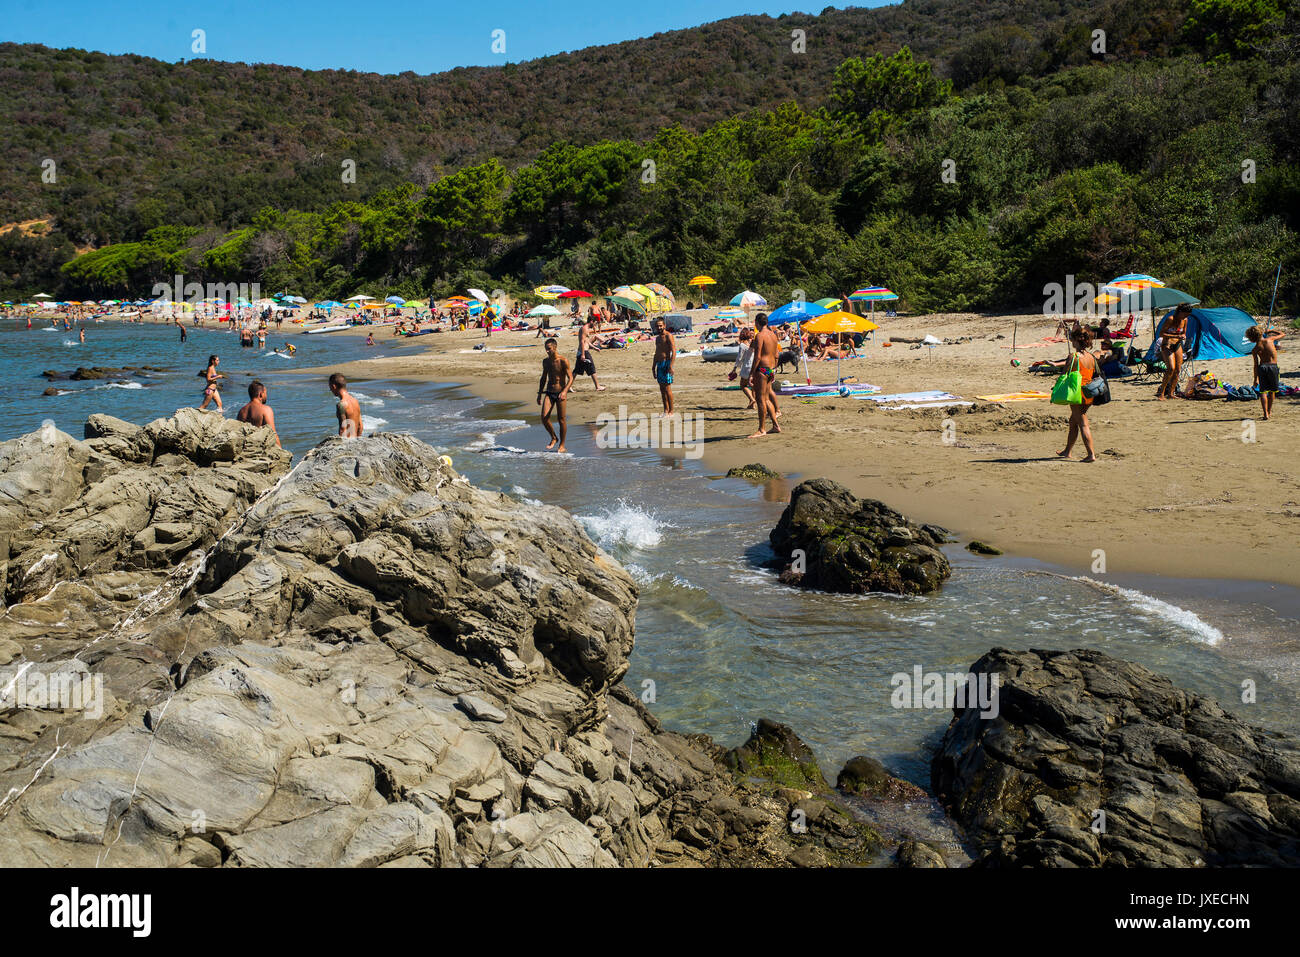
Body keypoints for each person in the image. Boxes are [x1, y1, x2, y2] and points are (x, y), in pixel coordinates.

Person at [1057, 326, 1099, 462]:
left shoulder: (1073, 356)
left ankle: (1091, 454)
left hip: (1077, 394)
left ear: (1076, 340)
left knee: (1082, 423)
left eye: (1072, 340)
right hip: (1089, 392)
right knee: (1073, 421)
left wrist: (1056, 388)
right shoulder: (1091, 357)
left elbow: (1064, 375)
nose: (1071, 342)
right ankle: (1067, 451)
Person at [537, 337, 573, 452]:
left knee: (561, 419)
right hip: (549, 392)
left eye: (549, 349)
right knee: (544, 417)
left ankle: (562, 445)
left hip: (560, 393)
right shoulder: (546, 362)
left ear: (555, 347)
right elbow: (543, 378)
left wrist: (564, 391)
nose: (547, 351)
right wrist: (539, 393)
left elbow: (571, 378)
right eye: (546, 349)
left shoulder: (563, 361)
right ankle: (553, 437)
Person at [748, 313, 782, 437]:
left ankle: (761, 429)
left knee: (760, 399)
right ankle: (775, 425)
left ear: (757, 322)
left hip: (762, 369)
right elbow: (777, 354)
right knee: (767, 398)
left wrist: (751, 373)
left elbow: (757, 357)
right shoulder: (773, 335)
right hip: (771, 369)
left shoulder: (760, 336)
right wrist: (774, 368)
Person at [1247, 324, 1286, 420]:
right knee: (1272, 391)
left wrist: (1255, 379)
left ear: (1252, 338)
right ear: (1260, 333)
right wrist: (1269, 332)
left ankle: (1265, 414)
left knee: (1263, 391)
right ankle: (1269, 411)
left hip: (1262, 368)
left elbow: (1256, 365)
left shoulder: (1255, 349)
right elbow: (1282, 334)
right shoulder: (1270, 340)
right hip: (1273, 367)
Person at [1157, 304, 1192, 400]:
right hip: (1167, 345)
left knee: (1177, 370)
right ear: (1180, 312)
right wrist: (1175, 336)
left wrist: (1183, 336)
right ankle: (1162, 393)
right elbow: (1161, 333)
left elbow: (1183, 332)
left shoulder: (1185, 320)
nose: (1186, 317)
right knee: (1171, 369)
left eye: (1187, 315)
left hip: (1177, 345)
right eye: (1185, 314)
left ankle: (1171, 393)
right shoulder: (1170, 319)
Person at [236, 380, 280, 447]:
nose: (266, 396)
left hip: (246, 449)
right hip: (260, 448)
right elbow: (273, 434)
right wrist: (281, 451)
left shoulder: (241, 411)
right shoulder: (265, 409)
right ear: (261, 394)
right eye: (266, 393)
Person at [651, 318, 675, 414]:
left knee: (667, 388)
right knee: (662, 389)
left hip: (666, 363)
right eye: (657, 326)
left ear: (664, 325)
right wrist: (653, 367)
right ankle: (666, 409)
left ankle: (671, 411)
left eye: (661, 325)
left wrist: (671, 366)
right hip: (659, 364)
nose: (659, 327)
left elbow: (673, 352)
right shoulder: (657, 338)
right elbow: (657, 353)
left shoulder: (668, 336)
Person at [575, 317, 606, 391]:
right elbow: (582, 342)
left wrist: (594, 348)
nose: (595, 325)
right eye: (595, 323)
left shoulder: (586, 329)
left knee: (576, 371)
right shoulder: (584, 329)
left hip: (582, 351)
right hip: (584, 352)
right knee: (592, 368)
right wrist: (583, 354)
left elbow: (587, 342)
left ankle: (568, 387)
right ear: (591, 321)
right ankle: (597, 386)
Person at [330, 372, 363, 437]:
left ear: (334, 386)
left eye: (330, 388)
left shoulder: (341, 405)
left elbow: (342, 429)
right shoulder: (355, 401)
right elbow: (360, 427)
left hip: (347, 443)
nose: (330, 390)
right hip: (356, 441)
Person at [732, 327, 757, 409]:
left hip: (747, 367)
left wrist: (735, 368)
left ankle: (752, 399)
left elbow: (739, 358)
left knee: (743, 385)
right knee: (753, 386)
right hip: (755, 366)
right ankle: (752, 405)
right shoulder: (753, 344)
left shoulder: (742, 345)